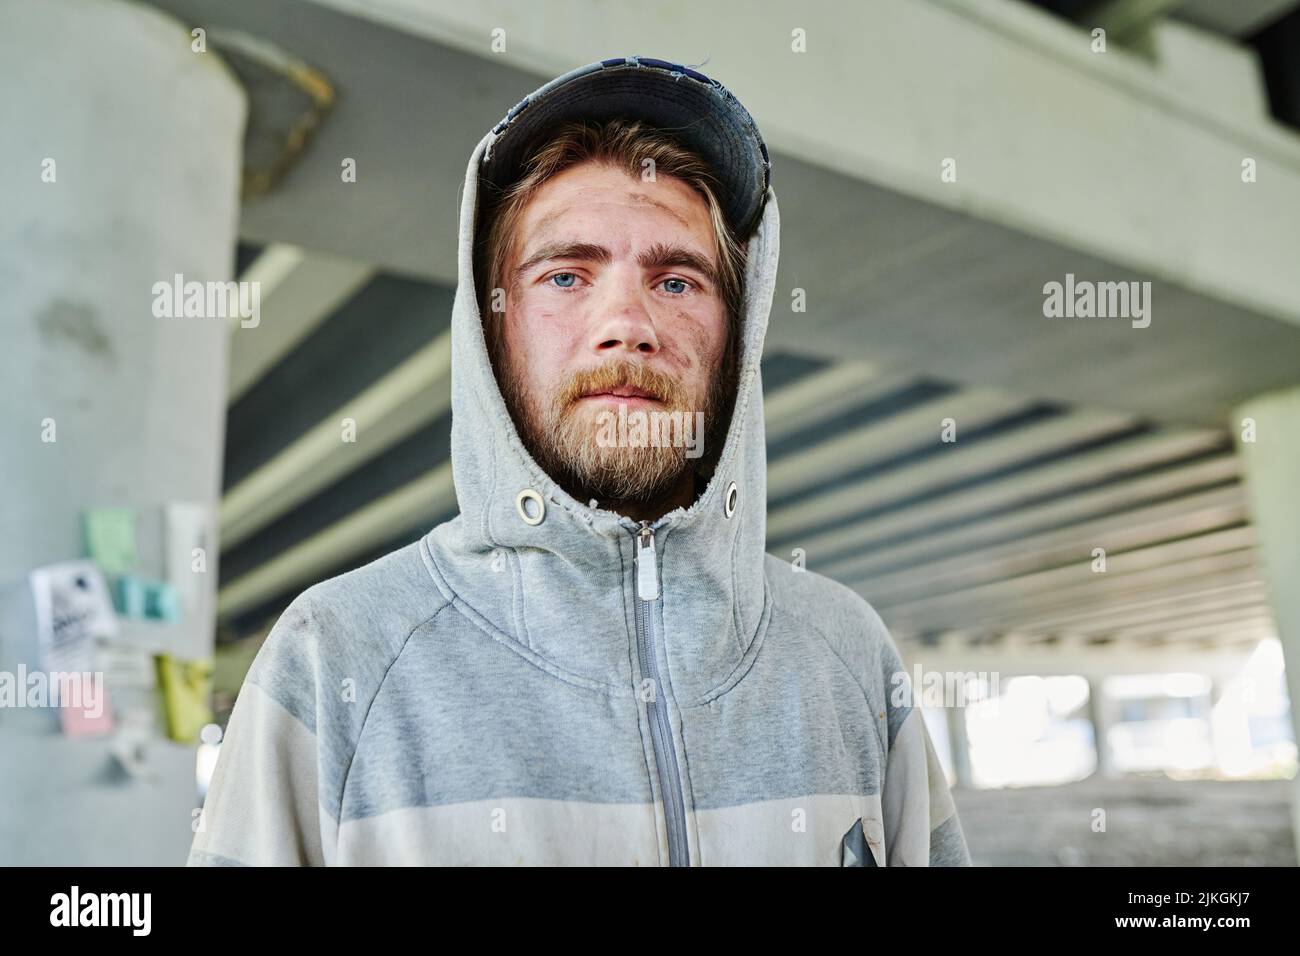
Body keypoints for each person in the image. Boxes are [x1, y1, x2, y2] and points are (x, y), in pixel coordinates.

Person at [187, 56, 972, 866]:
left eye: (677, 281)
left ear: (736, 339)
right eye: (565, 275)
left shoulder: (846, 652)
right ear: (492, 333)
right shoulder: (334, 656)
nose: (627, 324)